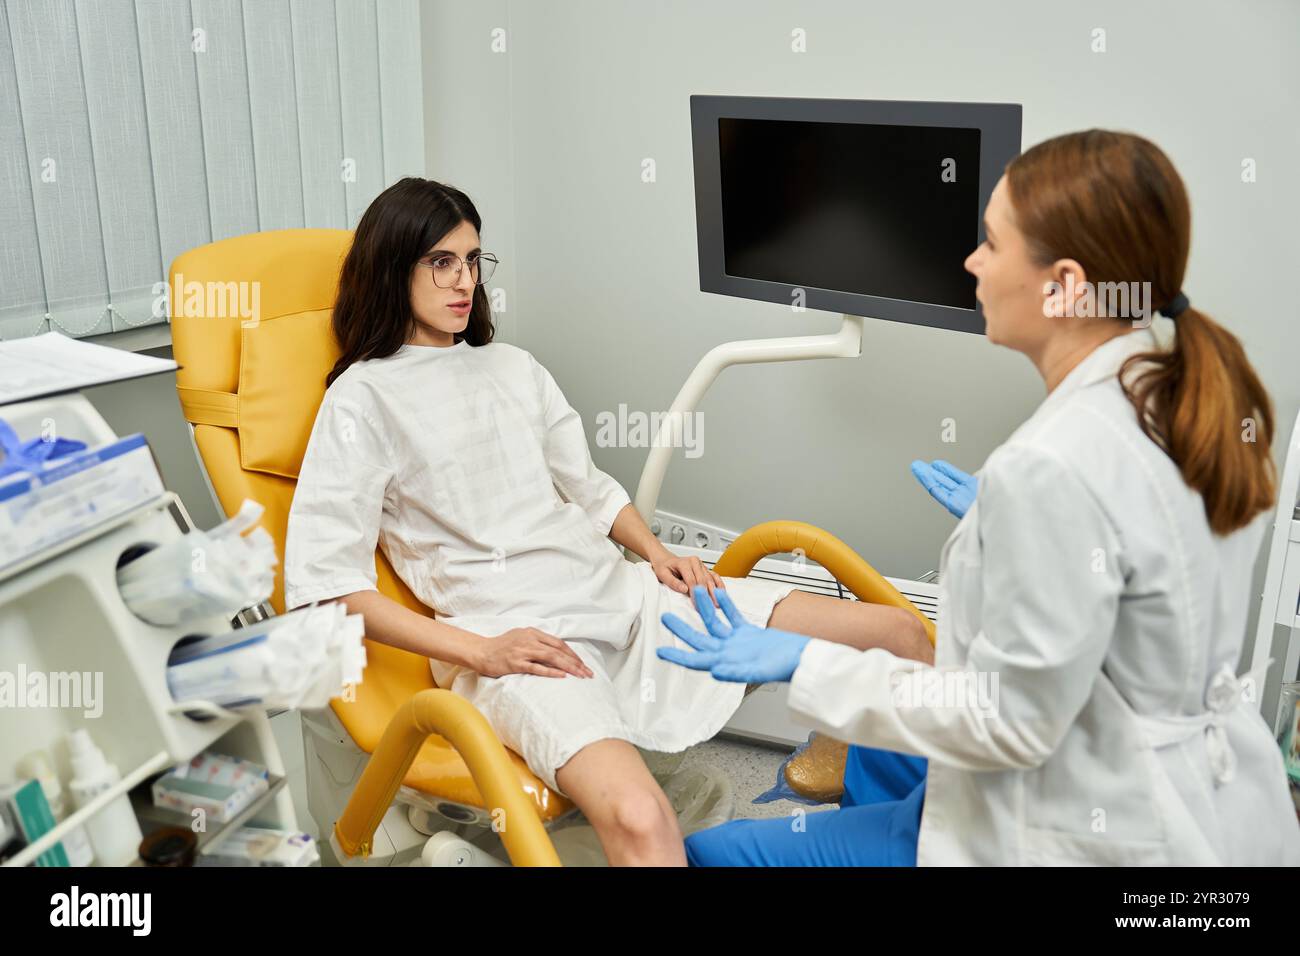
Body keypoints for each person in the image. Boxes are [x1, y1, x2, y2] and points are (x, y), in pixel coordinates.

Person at [661, 130, 1300, 866]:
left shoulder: (1052, 465)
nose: (972, 261)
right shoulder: (1187, 400)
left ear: (1063, 284)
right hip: (1191, 787)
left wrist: (805, 660)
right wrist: (1016, 539)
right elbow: (1147, 575)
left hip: (1085, 825)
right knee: (880, 766)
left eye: (992, 243)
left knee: (715, 853)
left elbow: (1008, 720)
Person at [283, 177, 933, 866]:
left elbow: (589, 488)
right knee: (644, 820)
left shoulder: (513, 368)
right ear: (393, 268)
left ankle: (900, 834)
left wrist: (655, 552)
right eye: (442, 262)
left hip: (625, 596)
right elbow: (328, 588)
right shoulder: (363, 400)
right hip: (528, 644)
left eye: (473, 260)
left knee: (899, 636)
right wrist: (479, 651)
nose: (465, 281)